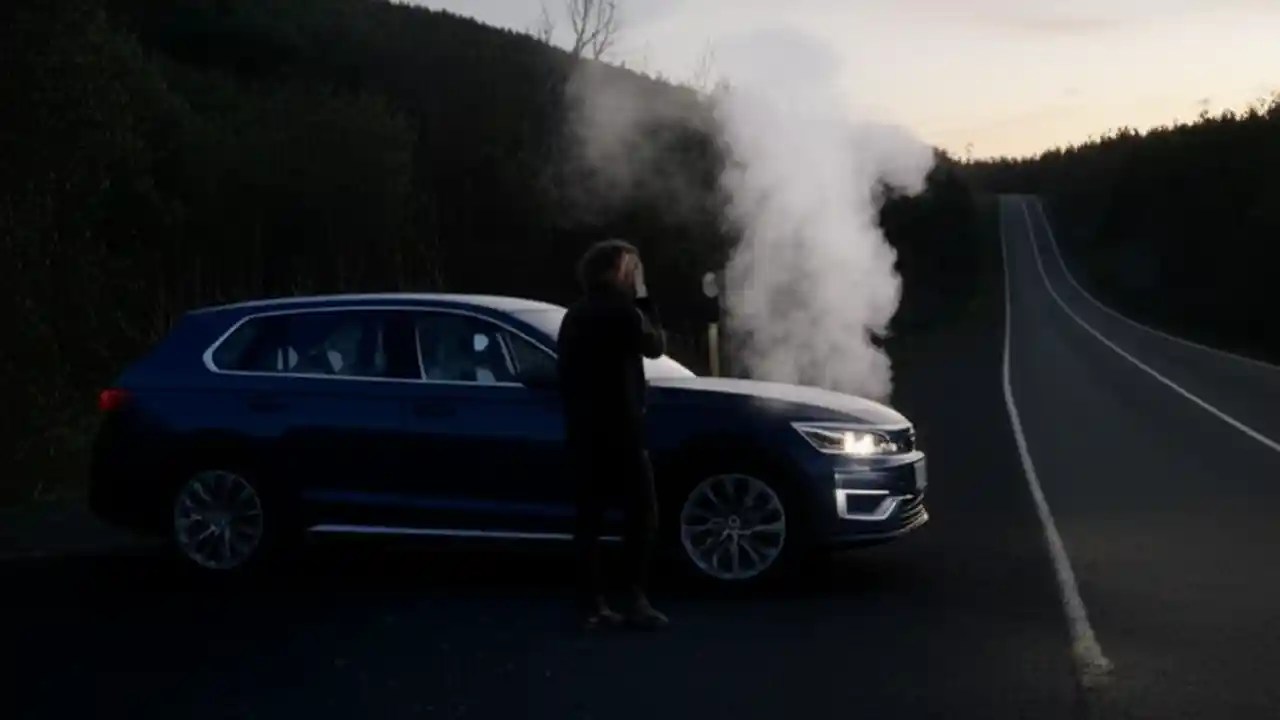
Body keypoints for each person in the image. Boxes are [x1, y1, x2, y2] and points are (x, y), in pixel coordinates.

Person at [557, 239, 670, 630]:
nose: (636, 274)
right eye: (632, 267)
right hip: (622, 430)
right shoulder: (623, 311)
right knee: (641, 515)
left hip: (584, 430)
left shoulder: (575, 314)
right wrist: (644, 295)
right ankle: (634, 598)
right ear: (618, 268)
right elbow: (655, 346)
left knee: (589, 519)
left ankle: (591, 603)